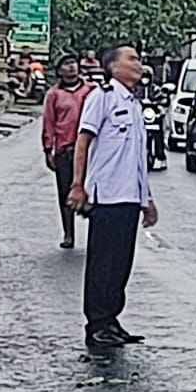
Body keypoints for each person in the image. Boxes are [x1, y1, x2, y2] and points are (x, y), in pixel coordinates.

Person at [68, 46, 159, 349]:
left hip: (129, 197)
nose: (138, 64)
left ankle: (111, 319)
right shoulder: (102, 97)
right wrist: (78, 184)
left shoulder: (134, 104)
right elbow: (83, 141)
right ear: (112, 66)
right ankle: (96, 323)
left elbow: (137, 159)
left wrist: (147, 199)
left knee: (121, 263)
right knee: (102, 262)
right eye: (131, 59)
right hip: (106, 194)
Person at [41, 54, 94, 248]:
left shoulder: (91, 91)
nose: (71, 67)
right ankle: (68, 234)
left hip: (89, 150)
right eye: (66, 64)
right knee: (65, 194)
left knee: (93, 193)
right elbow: (49, 123)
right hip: (65, 150)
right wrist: (48, 150)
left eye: (73, 63)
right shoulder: (54, 95)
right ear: (59, 70)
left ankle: (95, 235)